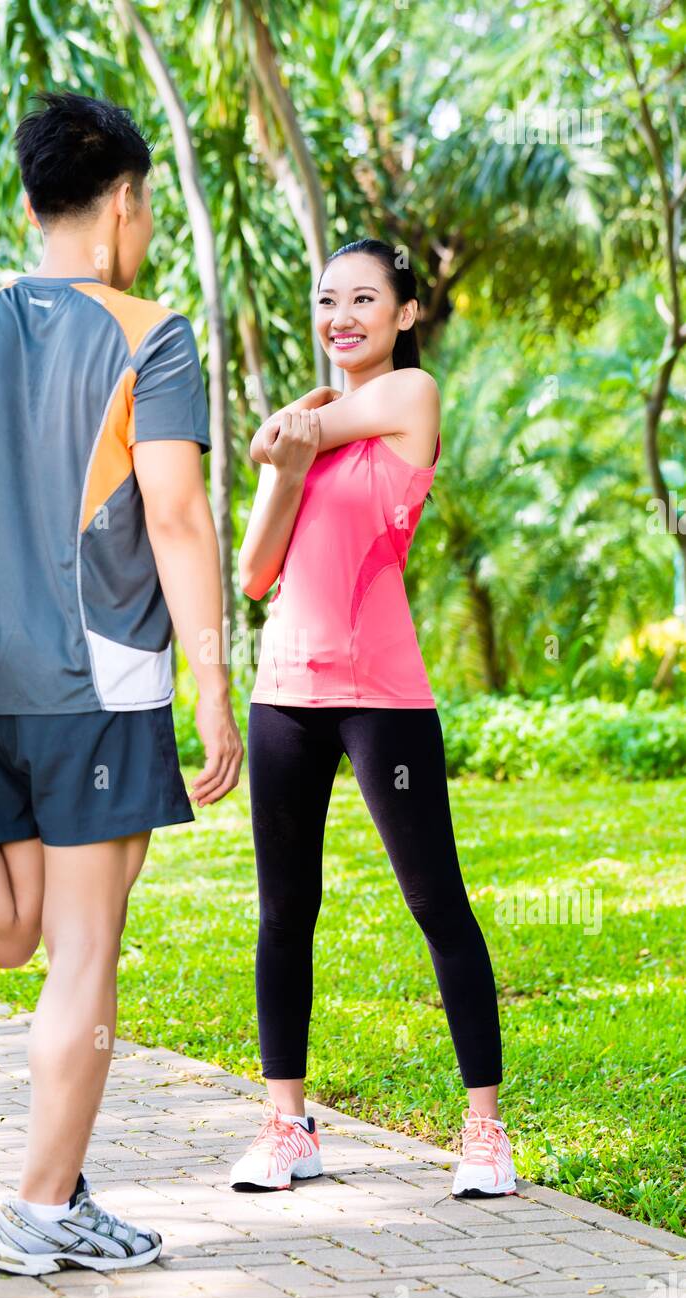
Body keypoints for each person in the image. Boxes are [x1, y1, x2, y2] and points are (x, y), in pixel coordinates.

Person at [0, 90, 243, 1276]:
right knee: (83, 951)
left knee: (2, 933)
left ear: (32, 204)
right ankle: (38, 1209)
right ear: (123, 203)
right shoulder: (150, 333)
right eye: (149, 206)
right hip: (103, 693)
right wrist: (212, 683)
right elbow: (174, 514)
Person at [231, 238, 516, 1200]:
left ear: (403, 316)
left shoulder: (406, 398)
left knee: (436, 901)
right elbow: (253, 573)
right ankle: (287, 1125)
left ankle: (483, 1134)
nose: (340, 315)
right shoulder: (308, 431)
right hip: (284, 693)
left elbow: (308, 432)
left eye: (363, 299)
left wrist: (296, 429)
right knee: (284, 913)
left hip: (383, 696)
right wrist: (284, 454)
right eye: (326, 300)